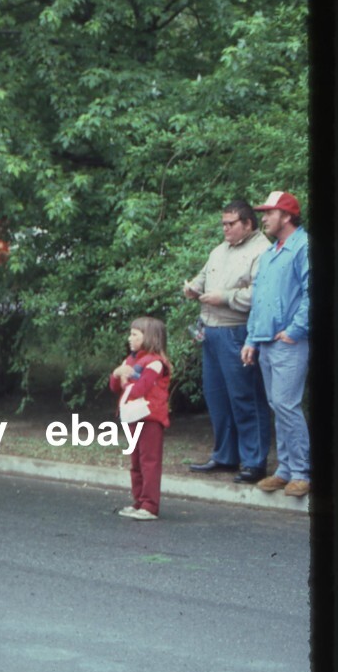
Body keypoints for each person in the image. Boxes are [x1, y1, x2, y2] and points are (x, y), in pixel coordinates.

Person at [182, 199, 272, 483]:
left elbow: (261, 294)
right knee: (217, 396)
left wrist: (225, 297)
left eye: (230, 224)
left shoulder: (262, 250)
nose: (225, 229)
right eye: (223, 224)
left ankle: (254, 462)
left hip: (237, 330)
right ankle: (225, 456)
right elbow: (203, 277)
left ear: (247, 224)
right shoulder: (219, 250)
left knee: (245, 396)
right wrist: (193, 288)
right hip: (210, 330)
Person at [239, 190, 311, 497]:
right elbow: (259, 301)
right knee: (277, 405)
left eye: (270, 213)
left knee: (286, 404)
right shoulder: (269, 253)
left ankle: (302, 472)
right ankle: (284, 470)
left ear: (287, 216)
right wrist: (251, 339)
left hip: (289, 342)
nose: (264, 218)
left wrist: (295, 330)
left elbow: (313, 293)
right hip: (266, 341)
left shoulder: (304, 246)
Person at [110, 316, 172, 521]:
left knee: (149, 461)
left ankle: (150, 505)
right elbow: (114, 386)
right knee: (136, 461)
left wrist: (125, 377)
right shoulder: (130, 360)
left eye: (134, 334)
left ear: (149, 337)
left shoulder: (156, 363)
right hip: (133, 416)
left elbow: (140, 388)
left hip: (150, 417)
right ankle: (139, 501)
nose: (130, 338)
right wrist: (117, 374)